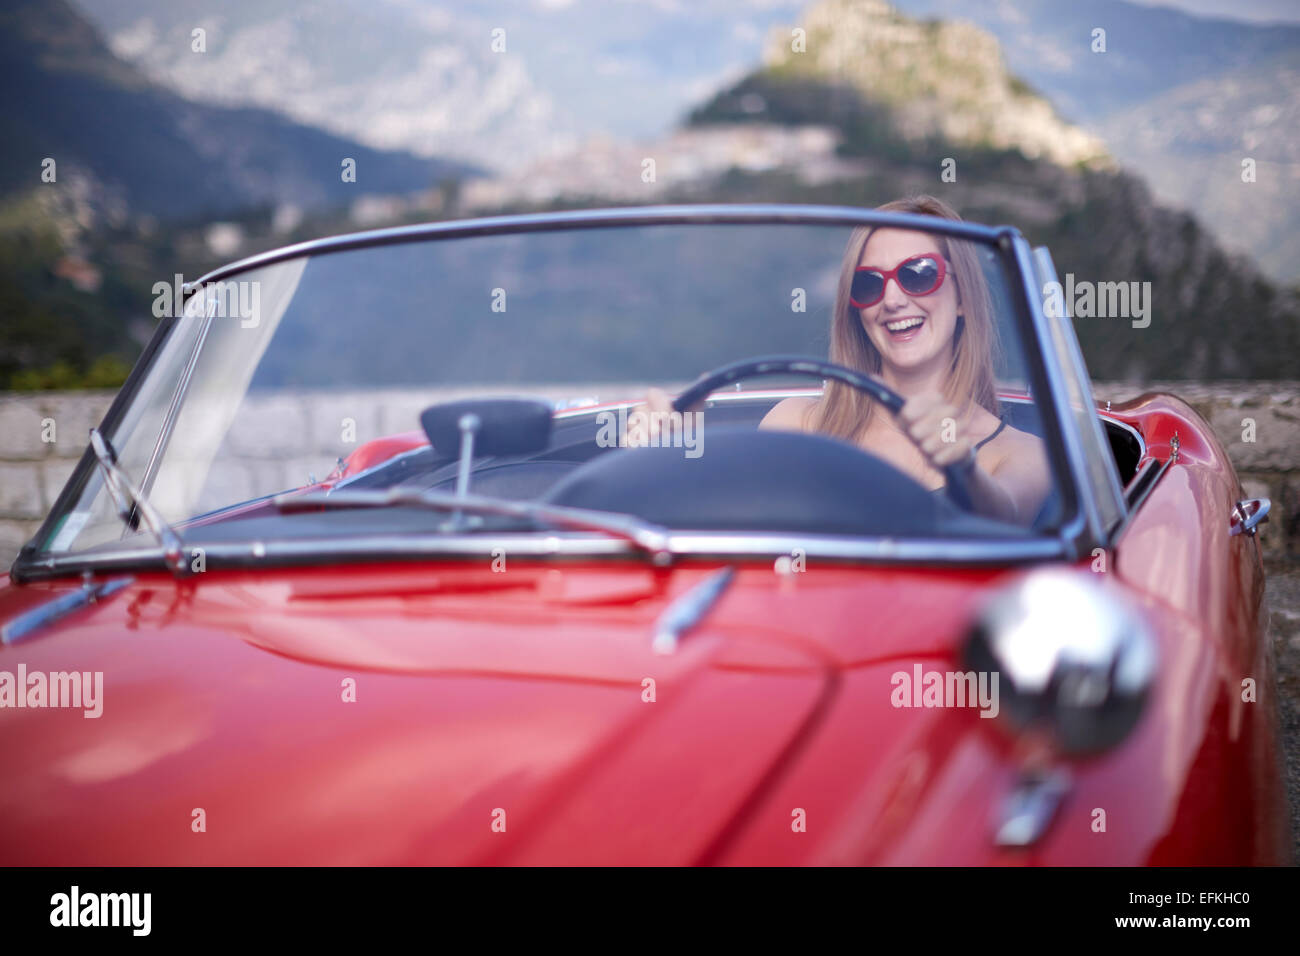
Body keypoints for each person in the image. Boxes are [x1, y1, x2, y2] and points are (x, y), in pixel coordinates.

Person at [632, 195, 1051, 524]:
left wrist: (963, 466)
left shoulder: (1019, 452)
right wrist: (664, 456)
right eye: (868, 283)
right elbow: (726, 523)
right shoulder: (797, 423)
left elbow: (1007, 519)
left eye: (918, 273)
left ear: (962, 298)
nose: (892, 299)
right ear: (854, 308)